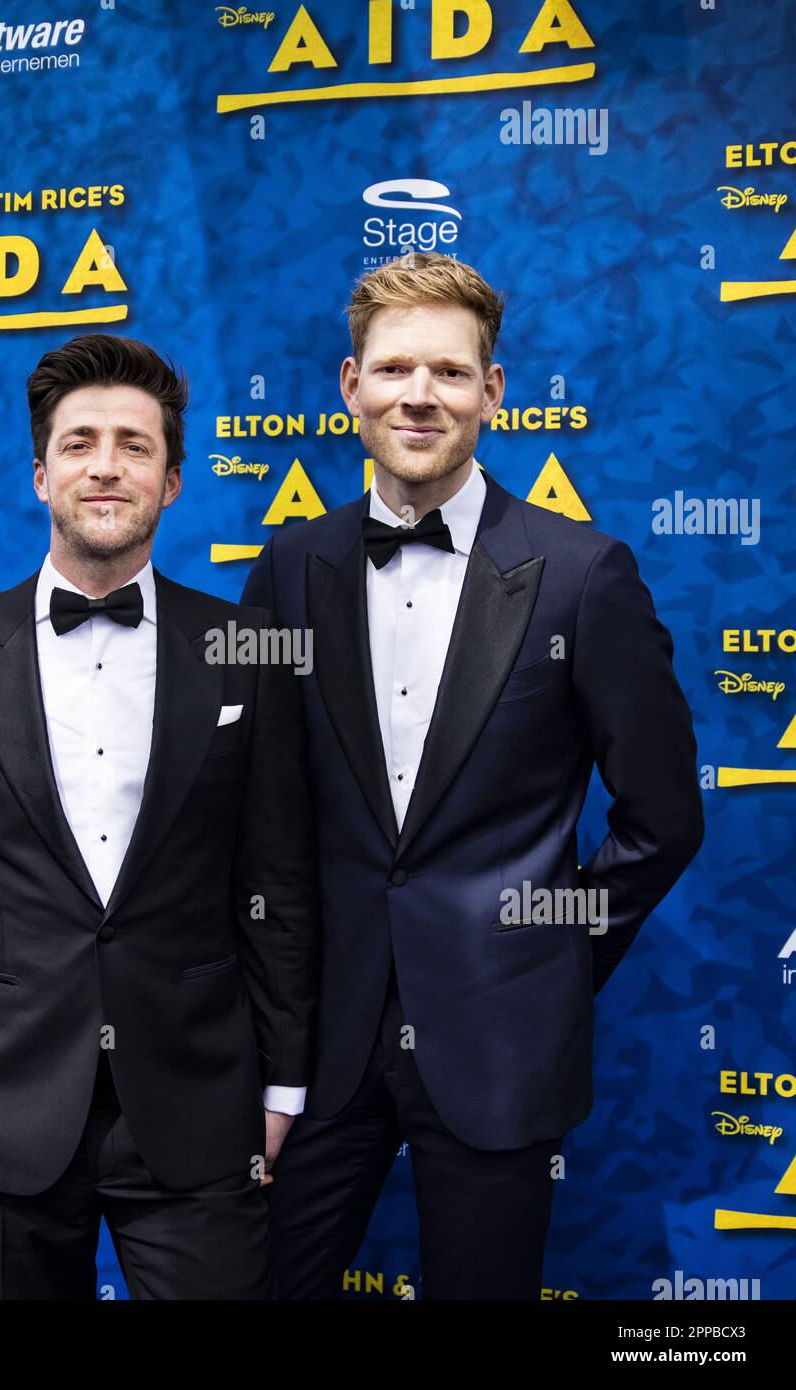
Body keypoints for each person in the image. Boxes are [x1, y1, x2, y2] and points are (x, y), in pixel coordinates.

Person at [241, 252, 704, 1300]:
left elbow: (664, 816)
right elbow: (254, 803)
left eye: (450, 373)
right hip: (317, 1045)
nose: (420, 395)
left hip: (502, 1041)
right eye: (395, 368)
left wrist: (546, 957)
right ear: (349, 386)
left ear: (493, 393)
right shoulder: (287, 569)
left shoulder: (586, 575)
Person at [0, 333, 317, 1299]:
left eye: (133, 444)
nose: (105, 465)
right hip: (0, 1108)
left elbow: (277, 883)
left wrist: (283, 1087)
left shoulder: (246, 648)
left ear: (174, 481)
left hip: (200, 1107)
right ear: (39, 475)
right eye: (79, 444)